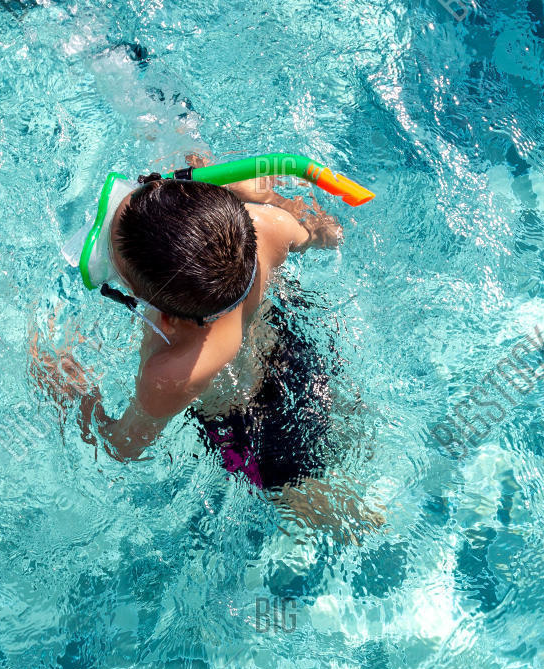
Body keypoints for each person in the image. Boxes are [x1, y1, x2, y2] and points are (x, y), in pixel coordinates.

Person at [31, 157, 381, 540]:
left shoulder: (172, 372)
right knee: (353, 433)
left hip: (253, 431)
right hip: (294, 351)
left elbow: (119, 446)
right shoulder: (267, 226)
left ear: (165, 320)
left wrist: (73, 394)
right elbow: (327, 233)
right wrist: (273, 200)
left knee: (342, 516)